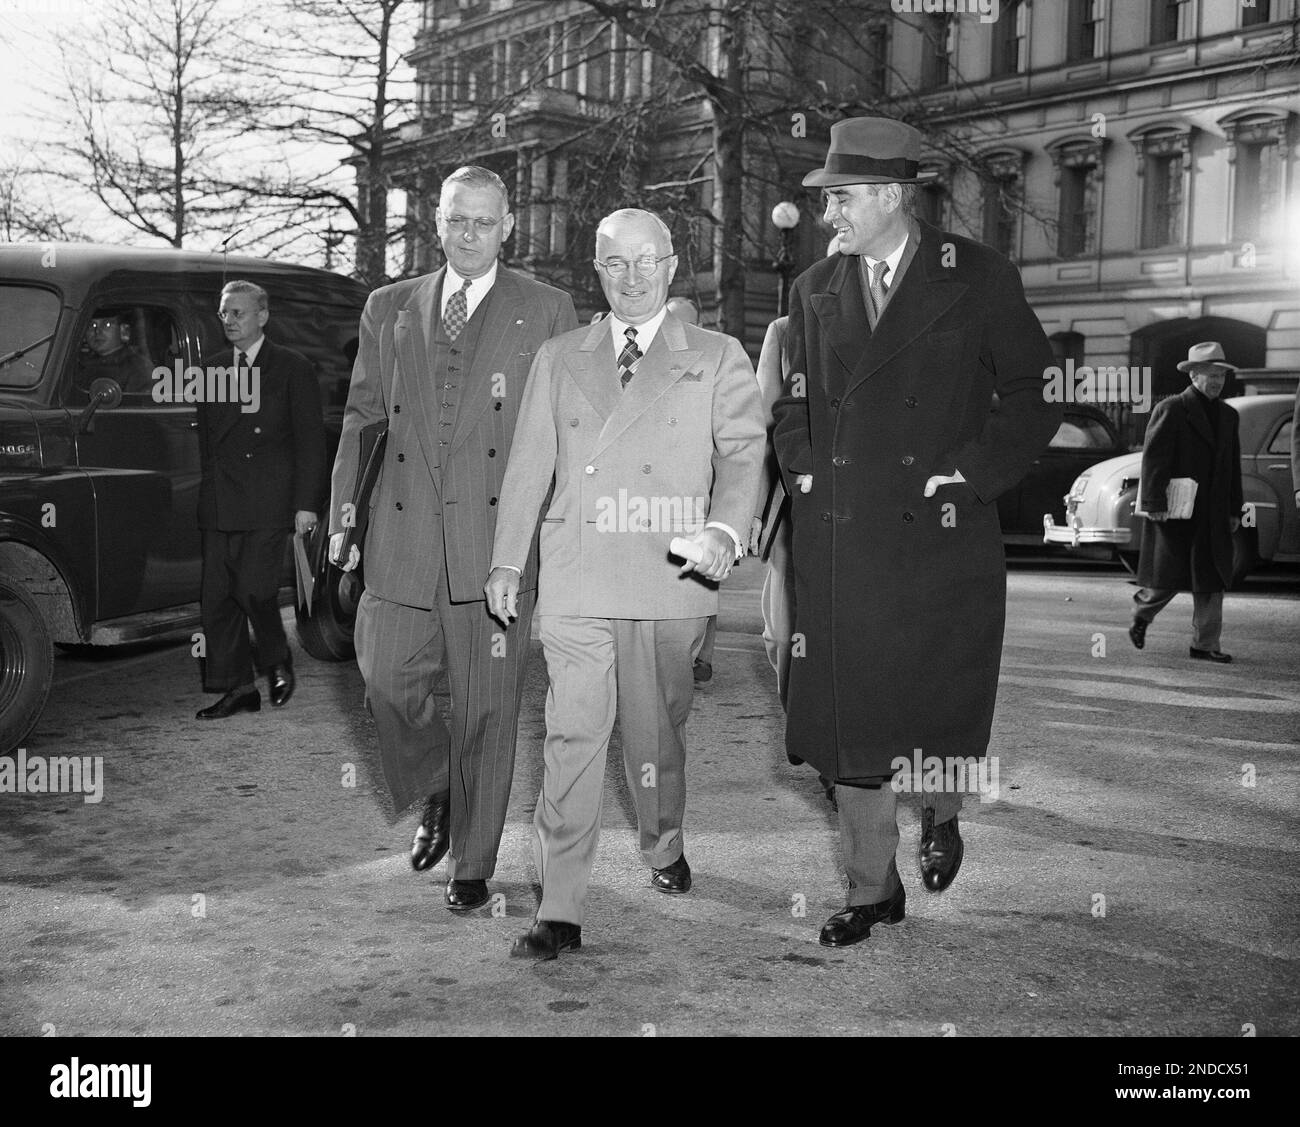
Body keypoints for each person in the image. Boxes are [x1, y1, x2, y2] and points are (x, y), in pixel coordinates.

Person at [772, 116, 1060, 949]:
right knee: (851, 721)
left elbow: (1035, 393)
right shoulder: (814, 288)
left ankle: (941, 809)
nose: (830, 215)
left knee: (935, 699)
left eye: (844, 198)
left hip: (938, 532)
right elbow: (792, 403)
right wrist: (808, 471)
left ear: (894, 196)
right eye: (827, 201)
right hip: (845, 538)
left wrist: (971, 475)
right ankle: (872, 886)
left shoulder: (977, 276)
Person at [485, 208, 765, 960]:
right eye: (616, 264)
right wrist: (508, 560)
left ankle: (662, 835)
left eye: (647, 262)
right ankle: (561, 906)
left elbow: (743, 457)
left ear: (674, 267)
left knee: (654, 733)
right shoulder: (559, 355)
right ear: (597, 271)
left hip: (670, 572)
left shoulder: (718, 354)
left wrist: (724, 530)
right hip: (577, 573)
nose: (633, 277)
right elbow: (528, 468)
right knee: (571, 737)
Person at [327, 166, 578, 913]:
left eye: (483, 222)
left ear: (508, 227)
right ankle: (439, 781)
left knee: (488, 711)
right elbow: (361, 419)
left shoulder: (548, 307)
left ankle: (472, 862)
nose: (468, 235)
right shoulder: (389, 306)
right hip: (401, 532)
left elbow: (564, 431)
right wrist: (344, 517)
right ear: (435, 224)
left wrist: (559, 539)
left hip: (495, 544)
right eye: (455, 221)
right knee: (385, 681)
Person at [196, 280, 326, 719]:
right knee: (217, 598)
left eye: (238, 313)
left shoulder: (292, 367)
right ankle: (237, 689)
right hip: (220, 500)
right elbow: (207, 445)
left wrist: (306, 503)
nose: (229, 321)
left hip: (270, 499)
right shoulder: (211, 369)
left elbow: (310, 442)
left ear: (262, 316)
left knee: (253, 588)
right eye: (224, 313)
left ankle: (275, 657)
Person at [1128, 342, 1243, 663]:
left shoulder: (1228, 415)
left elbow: (1232, 465)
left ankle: (1204, 645)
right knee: (1169, 577)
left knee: (1213, 578)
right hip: (1178, 510)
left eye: (1221, 375)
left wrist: (1235, 508)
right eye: (1210, 374)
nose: (1218, 381)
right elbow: (1154, 461)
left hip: (1215, 512)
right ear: (1193, 375)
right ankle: (1142, 612)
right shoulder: (1172, 409)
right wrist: (1153, 503)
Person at [665, 296, 719, 684]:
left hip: (697, 492)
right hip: (647, 498)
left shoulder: (714, 361)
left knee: (702, 575)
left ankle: (700, 655)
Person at [754, 315, 795, 707]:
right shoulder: (785, 330)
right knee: (784, 631)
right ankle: (799, 714)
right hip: (798, 500)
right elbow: (763, 425)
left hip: (879, 500)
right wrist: (755, 510)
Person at [75, 309, 153, 396]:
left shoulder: (138, 367)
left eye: (106, 325)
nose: (97, 331)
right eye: (92, 325)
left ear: (123, 331)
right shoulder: (76, 363)